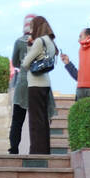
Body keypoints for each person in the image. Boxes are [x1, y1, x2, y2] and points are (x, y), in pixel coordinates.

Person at [20, 15, 57, 154]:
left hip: (35, 84)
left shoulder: (39, 41)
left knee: (35, 119)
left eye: (32, 26)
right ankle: (44, 149)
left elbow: (25, 63)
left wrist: (30, 45)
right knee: (43, 118)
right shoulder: (50, 41)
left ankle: (36, 150)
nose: (30, 29)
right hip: (46, 83)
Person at [8, 14, 35, 154]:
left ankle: (13, 148)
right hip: (38, 83)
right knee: (37, 119)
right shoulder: (41, 41)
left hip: (22, 82)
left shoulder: (19, 42)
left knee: (17, 120)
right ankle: (37, 148)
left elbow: (16, 62)